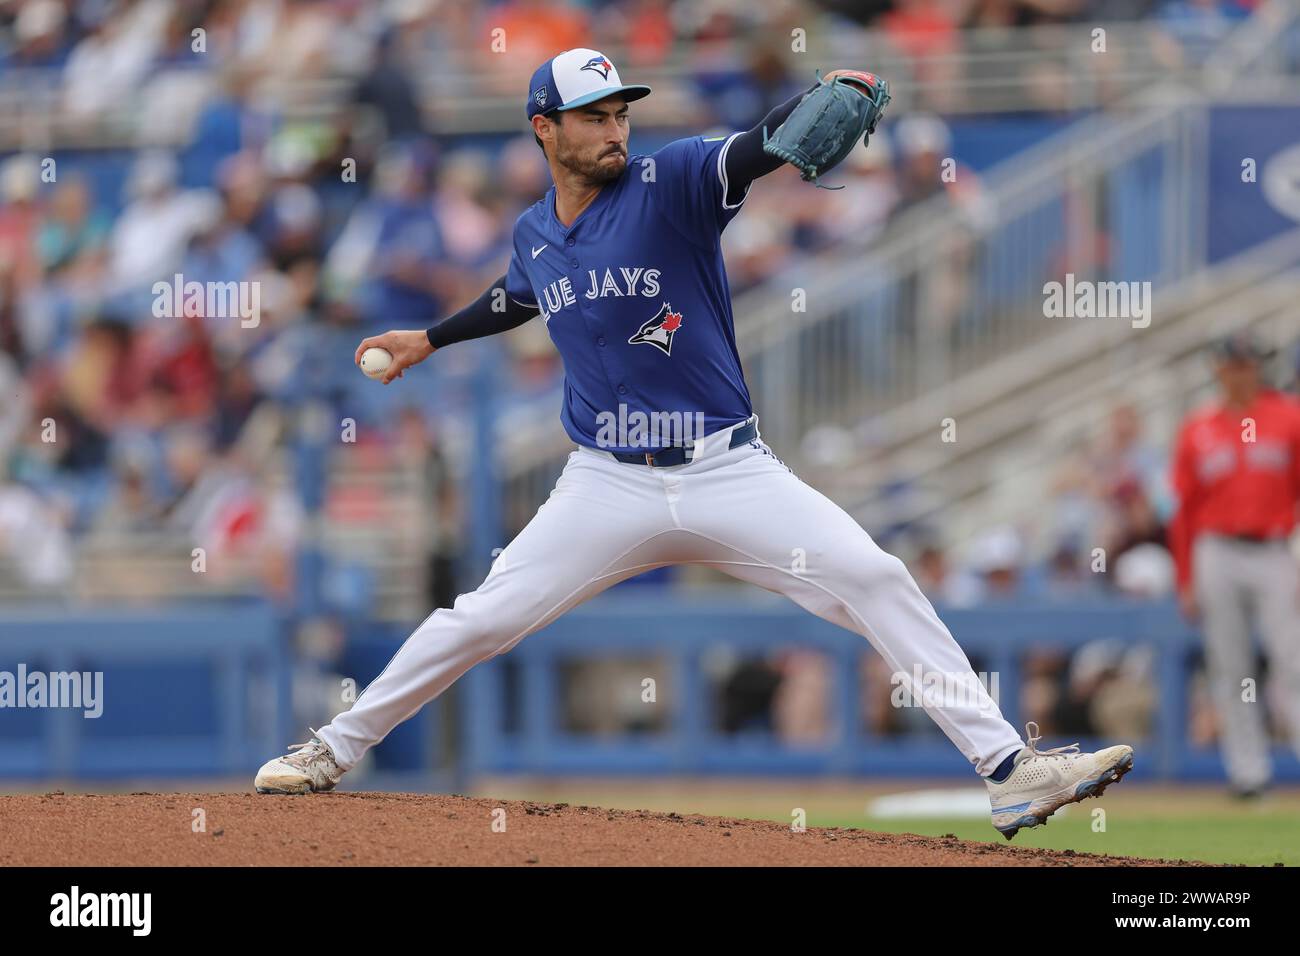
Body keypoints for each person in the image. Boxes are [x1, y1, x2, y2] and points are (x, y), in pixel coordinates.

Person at [254, 49, 1134, 839]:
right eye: (593, 116)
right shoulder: (533, 232)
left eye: (619, 112)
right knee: (479, 618)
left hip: (727, 468)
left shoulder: (671, 181)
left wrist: (808, 108)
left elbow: (751, 147)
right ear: (542, 129)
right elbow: (521, 296)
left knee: (875, 576)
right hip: (605, 485)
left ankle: (1012, 776)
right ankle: (332, 749)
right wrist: (430, 339)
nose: (613, 129)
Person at [1169, 332, 1300, 797]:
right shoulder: (1198, 428)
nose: (1242, 372)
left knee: (1293, 658)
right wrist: (1185, 578)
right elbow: (1183, 511)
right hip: (1216, 550)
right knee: (1231, 667)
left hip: (1274, 548)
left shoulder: (1288, 416)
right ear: (1219, 369)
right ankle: (1249, 774)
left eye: (1249, 363)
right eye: (1234, 364)